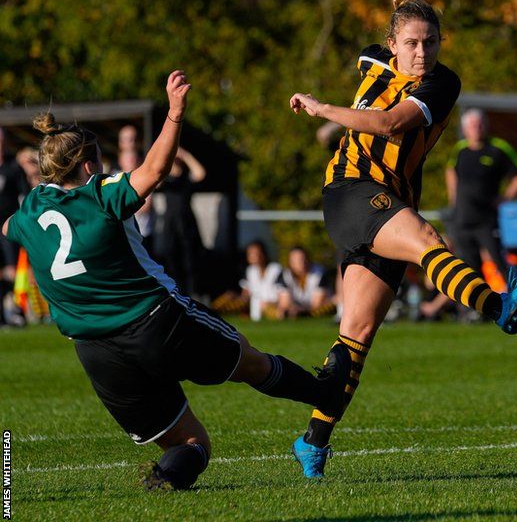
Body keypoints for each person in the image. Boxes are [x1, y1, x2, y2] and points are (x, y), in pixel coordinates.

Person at [2, 72, 346, 490]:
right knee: (249, 361)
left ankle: (169, 476)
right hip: (157, 322)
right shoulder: (101, 193)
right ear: (89, 163)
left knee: (190, 442)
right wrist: (176, 113)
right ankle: (325, 394)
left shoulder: (27, 215)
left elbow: (8, 228)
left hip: (97, 354)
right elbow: (154, 170)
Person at [286, 0, 517, 478]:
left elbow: (387, 123)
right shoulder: (372, 60)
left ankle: (312, 442)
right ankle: (498, 307)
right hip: (349, 191)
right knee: (429, 241)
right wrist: (403, 6)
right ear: (392, 43)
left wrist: (323, 110)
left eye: (431, 42)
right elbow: (385, 53)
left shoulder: (442, 85)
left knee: (356, 337)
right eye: (411, 43)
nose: (422, 53)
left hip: (388, 200)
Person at [446, 108, 517, 273]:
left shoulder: (498, 147)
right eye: (472, 126)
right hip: (463, 219)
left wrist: (506, 197)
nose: (476, 129)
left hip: (486, 219)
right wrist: (453, 197)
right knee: (470, 268)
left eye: (479, 125)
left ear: (485, 126)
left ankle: (514, 296)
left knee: (499, 262)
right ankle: (476, 298)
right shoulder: (460, 149)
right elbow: (450, 170)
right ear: (465, 129)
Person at [155, 147, 206, 296]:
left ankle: (193, 294)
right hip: (170, 224)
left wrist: (186, 155)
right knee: (171, 259)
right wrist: (167, 156)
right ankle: (176, 293)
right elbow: (156, 182)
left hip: (187, 221)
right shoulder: (166, 179)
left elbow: (200, 174)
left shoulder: (186, 177)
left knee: (190, 260)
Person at [0, 127, 30, 327]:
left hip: (7, 229)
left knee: (13, 271)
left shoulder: (13, 167)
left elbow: (24, 196)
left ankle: (18, 310)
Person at [278, 246, 333, 318]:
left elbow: (317, 303)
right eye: (296, 260)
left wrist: (302, 311)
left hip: (316, 308)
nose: (301, 262)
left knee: (329, 305)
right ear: (290, 262)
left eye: (302, 259)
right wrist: (292, 309)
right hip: (297, 308)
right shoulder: (285, 275)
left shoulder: (319, 273)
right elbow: (285, 303)